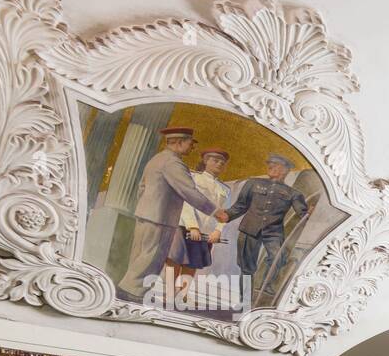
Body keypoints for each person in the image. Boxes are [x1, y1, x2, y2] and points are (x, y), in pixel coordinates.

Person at [116, 127, 227, 302]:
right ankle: (132, 294)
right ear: (179, 142)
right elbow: (188, 191)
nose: (192, 148)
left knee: (140, 255)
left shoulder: (157, 159)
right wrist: (215, 212)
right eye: (190, 143)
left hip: (148, 214)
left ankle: (125, 291)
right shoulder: (173, 163)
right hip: (161, 217)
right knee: (151, 258)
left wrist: (146, 208)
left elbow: (141, 188)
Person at [217, 153, 309, 298]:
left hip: (274, 232)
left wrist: (308, 211)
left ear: (285, 170)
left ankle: (266, 285)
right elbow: (240, 205)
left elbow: (303, 212)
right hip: (249, 229)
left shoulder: (293, 193)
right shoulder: (253, 183)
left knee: (278, 258)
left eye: (276, 165)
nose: (271, 166)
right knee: (246, 268)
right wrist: (227, 215)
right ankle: (245, 299)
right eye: (270, 164)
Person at [169, 148, 232, 303]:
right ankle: (169, 293)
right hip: (185, 225)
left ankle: (182, 294)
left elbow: (225, 214)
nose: (219, 164)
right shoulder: (193, 178)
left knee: (193, 262)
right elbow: (185, 201)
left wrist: (217, 231)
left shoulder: (224, 189)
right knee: (176, 259)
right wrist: (192, 226)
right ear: (205, 161)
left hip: (206, 231)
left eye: (222, 163)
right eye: (215, 160)